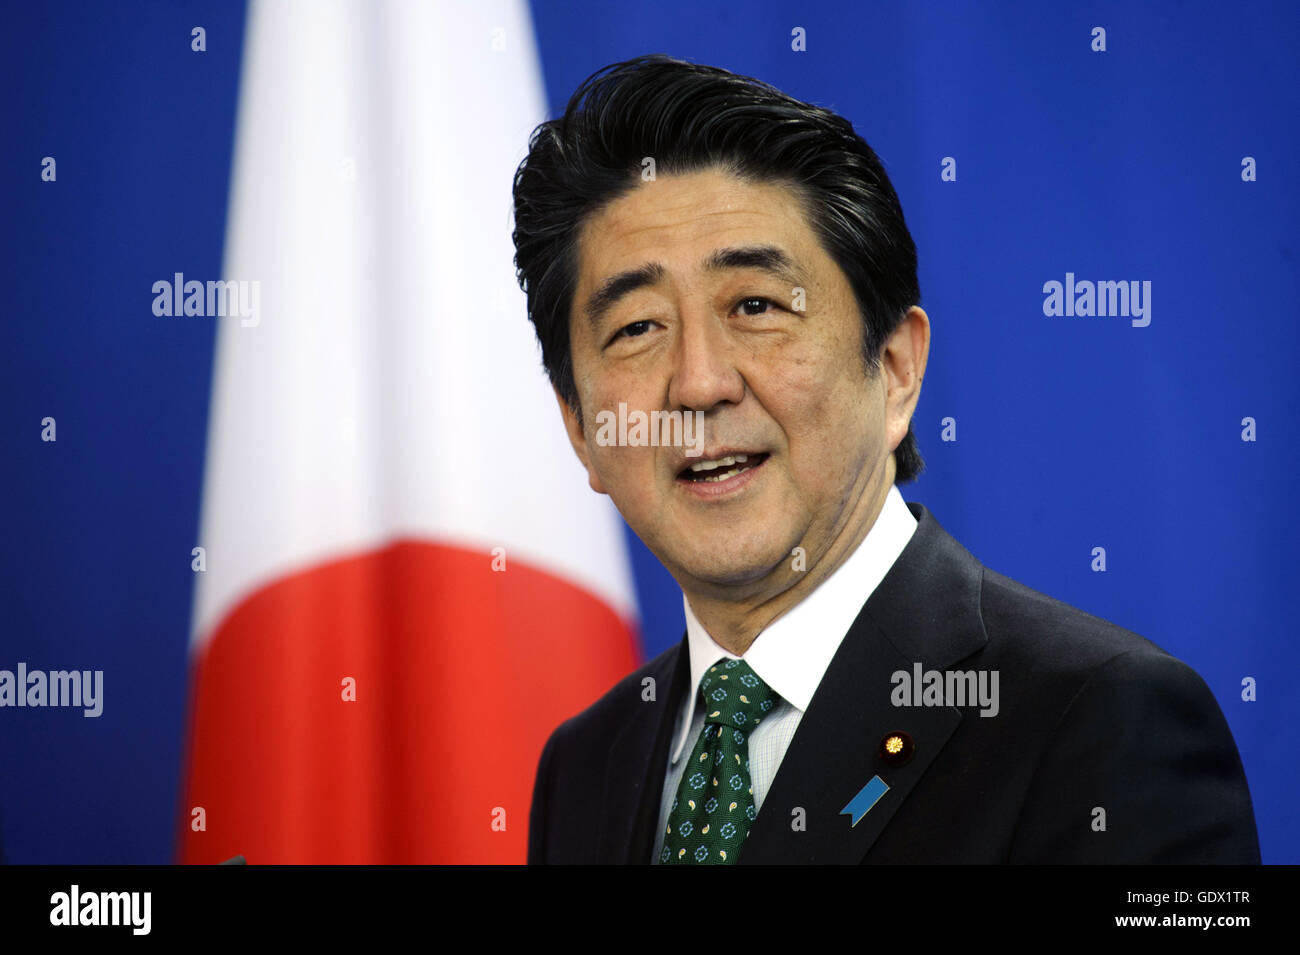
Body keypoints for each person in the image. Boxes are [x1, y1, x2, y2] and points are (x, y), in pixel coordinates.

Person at [510, 54, 1259, 864]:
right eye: (637, 328)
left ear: (896, 369)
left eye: (756, 306)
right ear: (582, 429)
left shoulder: (1104, 720)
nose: (699, 383)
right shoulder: (584, 765)